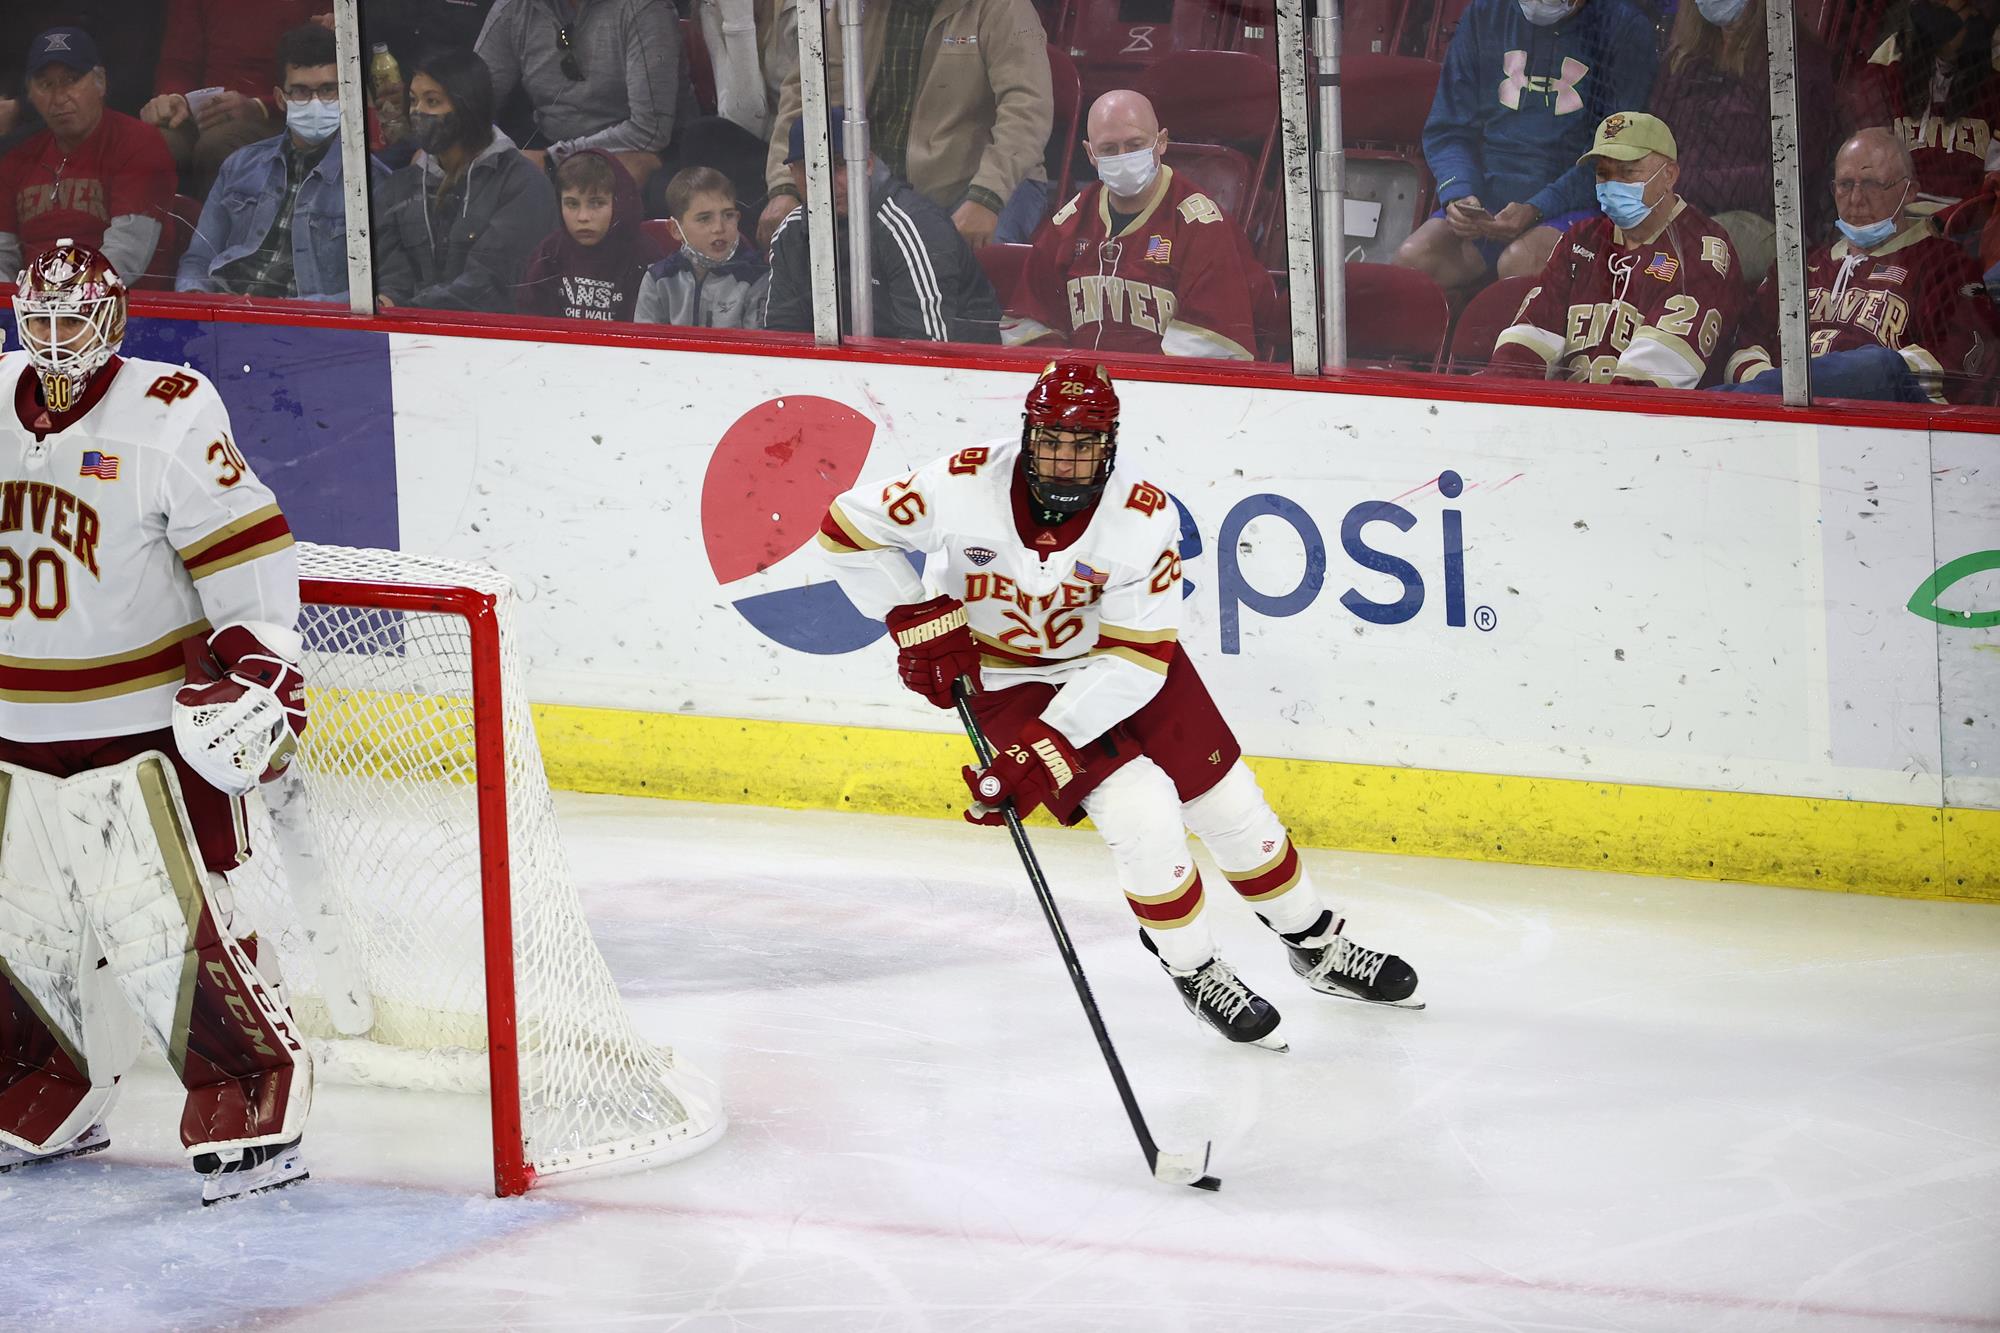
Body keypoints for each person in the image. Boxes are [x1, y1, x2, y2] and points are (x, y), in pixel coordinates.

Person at [817, 359, 1422, 1049]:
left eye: (1083, 446)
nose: (1066, 461)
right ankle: (1195, 969)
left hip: (1126, 662)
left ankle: (1315, 944)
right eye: (1051, 441)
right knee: (1142, 812)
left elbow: (1136, 662)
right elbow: (844, 529)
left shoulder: (1143, 515)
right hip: (1008, 679)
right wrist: (919, 617)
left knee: (1232, 808)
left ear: (1109, 446)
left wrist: (1046, 745)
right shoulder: (960, 481)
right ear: (1027, 433)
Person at [0, 241, 312, 1204]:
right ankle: (49, 1080)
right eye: (38, 321)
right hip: (13, 724)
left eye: (73, 321)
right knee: (21, 925)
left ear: (114, 321)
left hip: (137, 727)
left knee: (168, 925)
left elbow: (246, 553)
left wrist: (261, 661)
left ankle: (256, 1085)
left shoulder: (170, 412)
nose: (54, 342)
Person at [1395, 0, 1660, 289]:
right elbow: (1448, 129)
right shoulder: (1484, 14)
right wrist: (1460, 193)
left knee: (1520, 263)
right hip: (1489, 199)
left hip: (1578, 202)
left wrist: (1538, 207)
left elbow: (1615, 153)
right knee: (1415, 261)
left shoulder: (1625, 28)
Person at [1722, 128, 2000, 403]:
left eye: (1871, 184)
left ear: (1910, 191)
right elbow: (1743, 348)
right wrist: (1779, 392)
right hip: (1784, 421)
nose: (1856, 199)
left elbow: (1956, 365)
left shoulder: (1946, 265)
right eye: (1845, 185)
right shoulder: (1798, 266)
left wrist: (1839, 383)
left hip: (1884, 427)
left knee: (1880, 365)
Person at [755, 0, 1053, 251]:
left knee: (973, 287)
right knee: (796, 257)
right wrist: (786, 187)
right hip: (875, 188)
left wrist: (986, 198)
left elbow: (1027, 109)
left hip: (986, 182)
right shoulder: (852, 8)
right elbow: (807, 99)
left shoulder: (1004, 7)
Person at [1485, 112, 1743, 387]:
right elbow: (1528, 339)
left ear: (1669, 175)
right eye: (1603, 174)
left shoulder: (1701, 247)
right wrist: (1502, 400)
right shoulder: (1581, 239)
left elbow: (1649, 384)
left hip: (1652, 423)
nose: (1612, 185)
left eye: (1628, 172)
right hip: (1569, 415)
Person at [1005, 89, 1262, 361]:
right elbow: (1028, 322)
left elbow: (1213, 343)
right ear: (1090, 153)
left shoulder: (1201, 226)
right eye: (1109, 149)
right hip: (1081, 390)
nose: (1123, 156)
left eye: (1135, 145)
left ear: (1161, 142)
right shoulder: (1070, 221)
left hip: (1166, 395)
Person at [177, 24, 375, 301]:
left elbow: (370, 293)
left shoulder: (371, 181)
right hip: (226, 312)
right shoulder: (239, 166)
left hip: (309, 327)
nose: (315, 102)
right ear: (281, 99)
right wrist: (196, 298)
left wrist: (302, 312)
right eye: (301, 91)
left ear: (348, 96)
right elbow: (198, 259)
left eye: (328, 90)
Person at [1647, 0, 1839, 282]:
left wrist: (1687, 185)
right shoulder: (1683, 59)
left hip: (1762, 220)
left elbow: (1791, 174)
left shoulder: (1796, 59)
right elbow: (1653, 140)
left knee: (1691, 257)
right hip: (1679, 209)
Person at [766, 114, 1000, 342]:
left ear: (867, 164)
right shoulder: (791, 234)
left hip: (963, 376)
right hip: (846, 374)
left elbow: (927, 350)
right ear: (793, 174)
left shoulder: (912, 225)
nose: (827, 181)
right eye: (813, 169)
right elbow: (783, 339)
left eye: (838, 165)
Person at [370, 46, 559, 313]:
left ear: (466, 107)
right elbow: (392, 274)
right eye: (413, 101)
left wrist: (407, 313)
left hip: (492, 343)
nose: (418, 112)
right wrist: (387, 300)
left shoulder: (523, 185)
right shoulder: (398, 188)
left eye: (432, 101)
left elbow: (490, 285)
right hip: (408, 339)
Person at [0, 27, 176, 283]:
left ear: (100, 82)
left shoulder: (138, 142)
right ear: (29, 94)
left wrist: (59, 300)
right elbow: (2, 255)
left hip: (119, 309)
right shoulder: (17, 158)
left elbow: (126, 256)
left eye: (71, 80)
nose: (59, 97)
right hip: (28, 310)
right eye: (46, 84)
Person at [473, 0, 695, 195]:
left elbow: (650, 131)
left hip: (636, 149)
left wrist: (552, 160)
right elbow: (468, 101)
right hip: (550, 141)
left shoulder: (646, 9)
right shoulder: (514, 8)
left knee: (633, 168)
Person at [141, 0, 334, 197]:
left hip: (281, 113)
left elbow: (322, 78)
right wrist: (173, 97)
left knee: (217, 144)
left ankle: (216, 227)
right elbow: (178, 61)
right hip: (202, 112)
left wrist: (260, 107)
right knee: (151, 142)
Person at [1849, 0, 2000, 208]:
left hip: (1965, 225)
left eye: (1950, 10)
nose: (1938, 20)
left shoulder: (1993, 84)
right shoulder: (1891, 66)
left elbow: (1994, 188)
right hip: (1899, 218)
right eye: (1933, 9)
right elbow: (1869, 162)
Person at [515, 148, 662, 320]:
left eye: (597, 203)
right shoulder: (548, 253)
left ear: (619, 202)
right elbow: (531, 324)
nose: (583, 217)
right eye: (572, 204)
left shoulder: (645, 255)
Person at [633, 164, 771, 328]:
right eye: (704, 218)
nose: (719, 228)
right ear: (676, 229)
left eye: (728, 215)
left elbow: (755, 349)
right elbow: (646, 347)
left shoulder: (757, 278)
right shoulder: (658, 279)